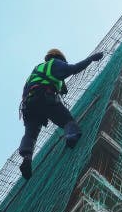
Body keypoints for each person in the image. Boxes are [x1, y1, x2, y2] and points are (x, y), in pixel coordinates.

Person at [18, 48, 105, 179]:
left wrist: (60, 86)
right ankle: (71, 136)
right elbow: (73, 69)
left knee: (31, 134)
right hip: (44, 97)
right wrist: (90, 59)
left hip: (29, 106)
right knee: (67, 121)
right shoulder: (55, 63)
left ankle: (27, 159)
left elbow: (50, 82)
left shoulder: (38, 70)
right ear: (59, 58)